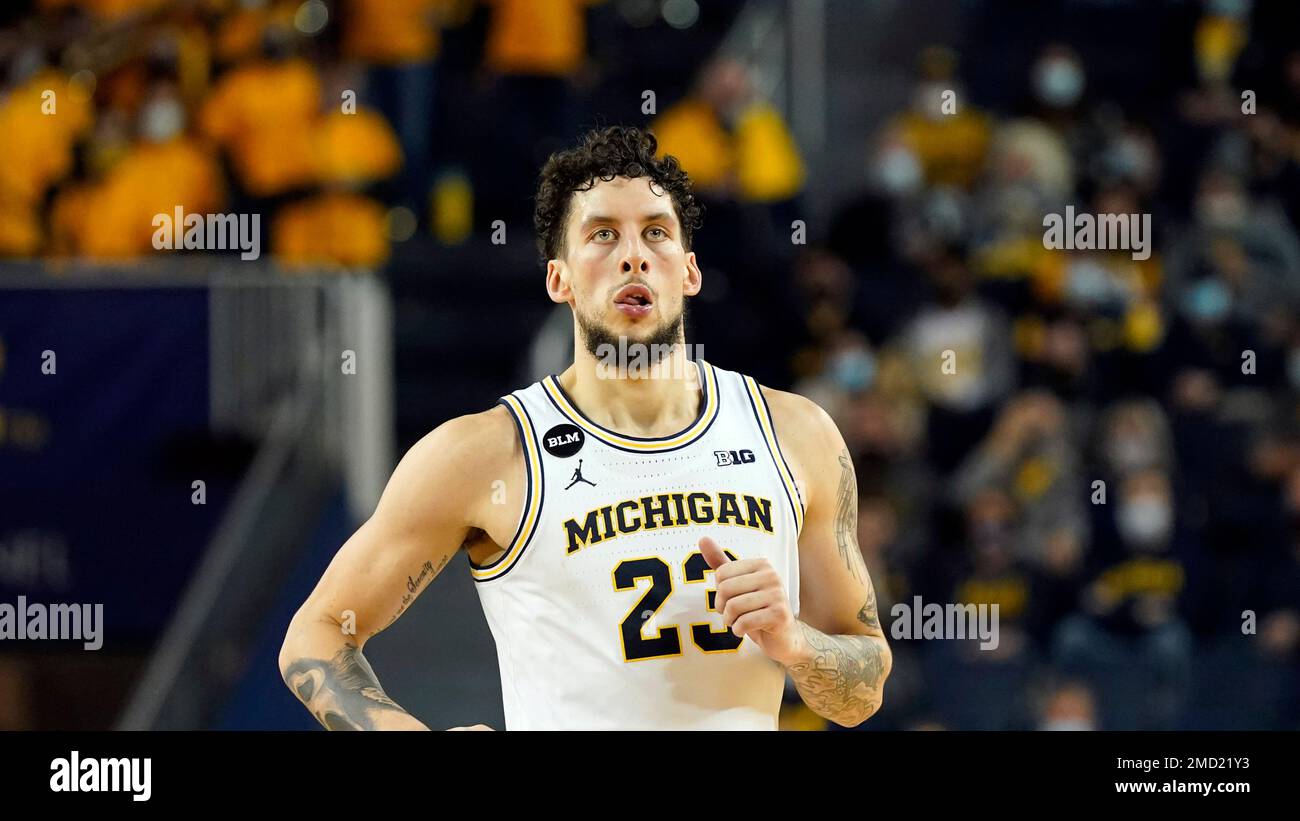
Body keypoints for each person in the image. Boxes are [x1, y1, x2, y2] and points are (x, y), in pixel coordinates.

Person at [278, 126, 892, 730]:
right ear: (559, 278)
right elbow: (318, 633)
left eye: (657, 233)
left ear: (689, 272)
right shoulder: (487, 453)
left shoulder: (796, 433)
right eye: (602, 235)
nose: (633, 254)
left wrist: (797, 644)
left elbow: (862, 693)